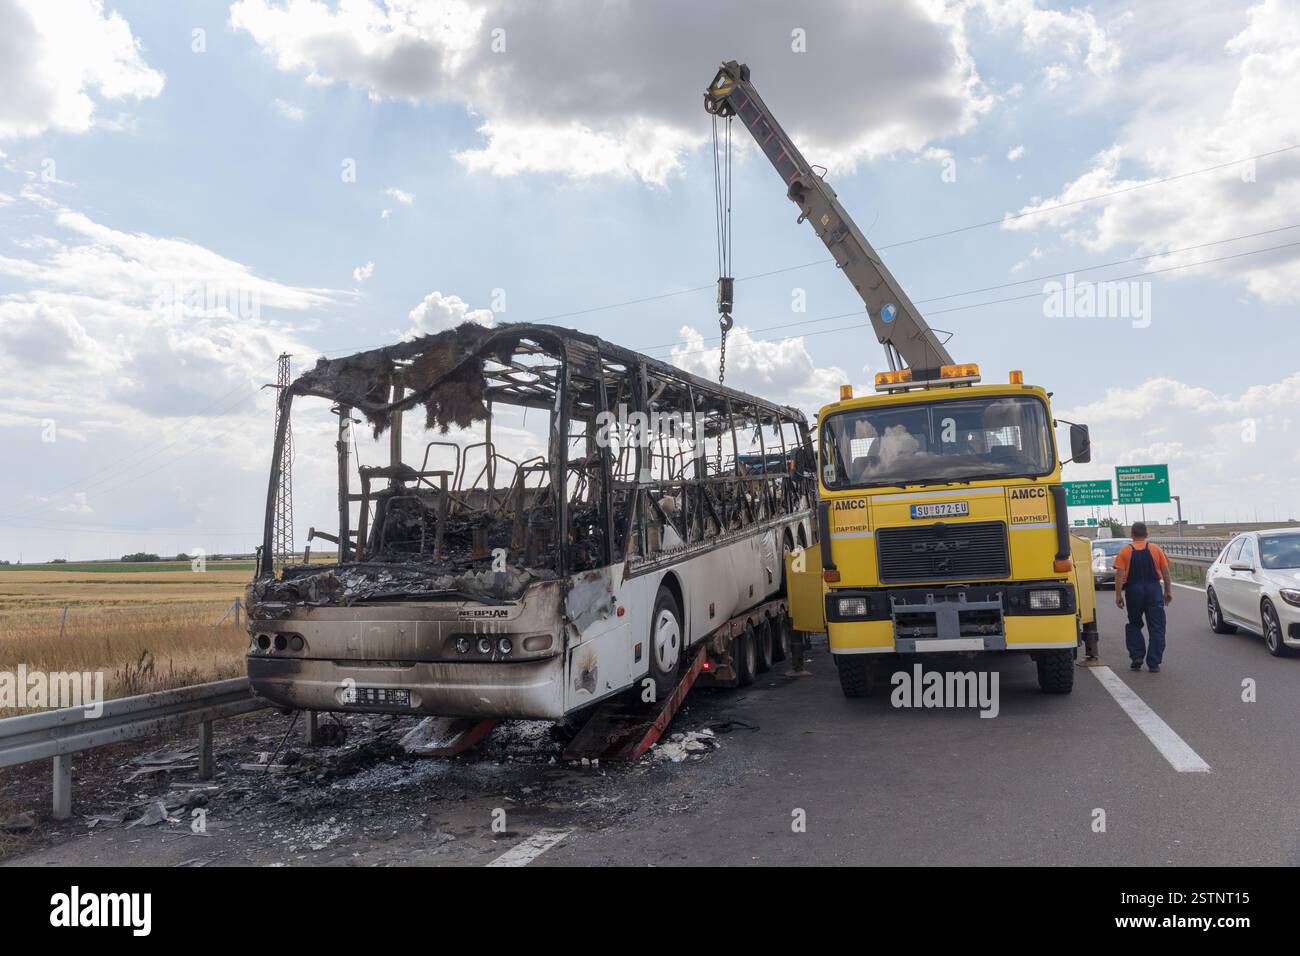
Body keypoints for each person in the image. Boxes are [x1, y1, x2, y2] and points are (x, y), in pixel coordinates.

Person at [1113, 522, 1173, 672]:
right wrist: (1168, 591)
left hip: (1134, 591)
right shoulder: (1155, 549)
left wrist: (1118, 595)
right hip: (1153, 590)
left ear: (1132, 535)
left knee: (1134, 624)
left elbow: (1119, 575)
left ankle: (1137, 656)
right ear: (1146, 534)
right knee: (1157, 627)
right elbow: (1166, 573)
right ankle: (1154, 663)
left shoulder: (1125, 551)